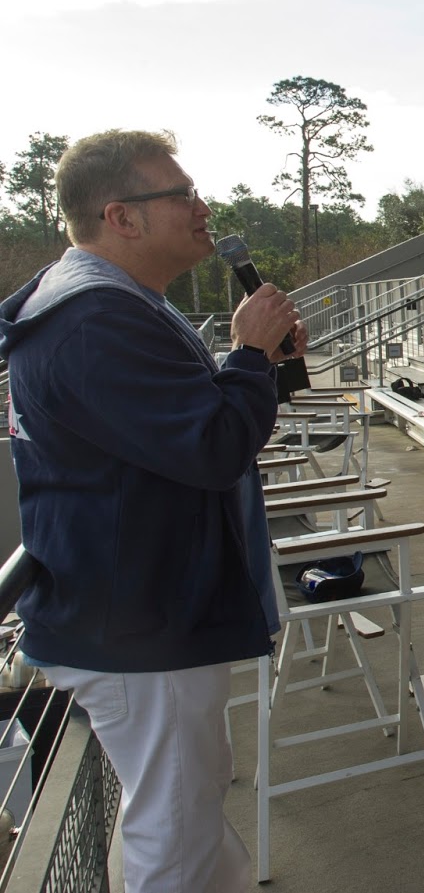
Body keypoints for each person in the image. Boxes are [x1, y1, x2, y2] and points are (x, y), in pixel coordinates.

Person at [0, 128, 306, 892]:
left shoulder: (116, 304)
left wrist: (262, 362)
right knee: (174, 833)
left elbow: (192, 425)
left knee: (185, 815)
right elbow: (209, 445)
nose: (203, 208)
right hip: (141, 616)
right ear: (122, 217)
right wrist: (247, 357)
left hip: (145, 605)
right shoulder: (94, 320)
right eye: (182, 194)